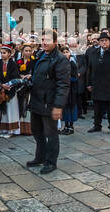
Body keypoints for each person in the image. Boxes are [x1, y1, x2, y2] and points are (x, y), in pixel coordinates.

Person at [26, 39, 74, 174]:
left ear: (55, 41)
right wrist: (31, 77)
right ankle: (40, 156)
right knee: (36, 130)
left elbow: (63, 84)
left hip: (50, 102)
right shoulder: (41, 54)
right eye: (42, 40)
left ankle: (51, 161)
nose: (44, 42)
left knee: (51, 133)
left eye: (47, 40)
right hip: (37, 100)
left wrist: (58, 105)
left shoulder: (60, 59)